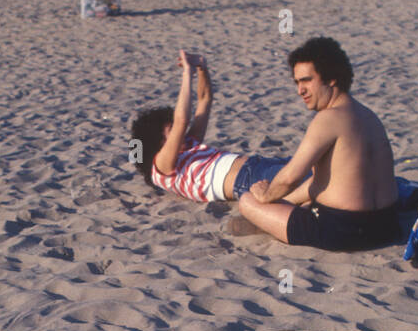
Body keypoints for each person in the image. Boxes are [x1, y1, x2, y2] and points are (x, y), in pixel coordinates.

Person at [237, 37, 402, 252]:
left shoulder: (328, 119)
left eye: (306, 80)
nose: (300, 90)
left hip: (343, 231)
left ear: (332, 78)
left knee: (247, 201)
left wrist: (265, 195)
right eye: (297, 82)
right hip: (387, 225)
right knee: (303, 197)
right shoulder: (369, 116)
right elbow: (320, 181)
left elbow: (290, 178)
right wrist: (285, 200)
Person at [130, 50, 299, 204]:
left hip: (260, 163)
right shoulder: (161, 167)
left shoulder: (189, 146)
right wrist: (187, 73)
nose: (178, 133)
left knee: (320, 163)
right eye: (171, 130)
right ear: (159, 142)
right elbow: (182, 120)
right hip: (249, 179)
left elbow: (205, 99)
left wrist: (202, 67)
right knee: (311, 179)